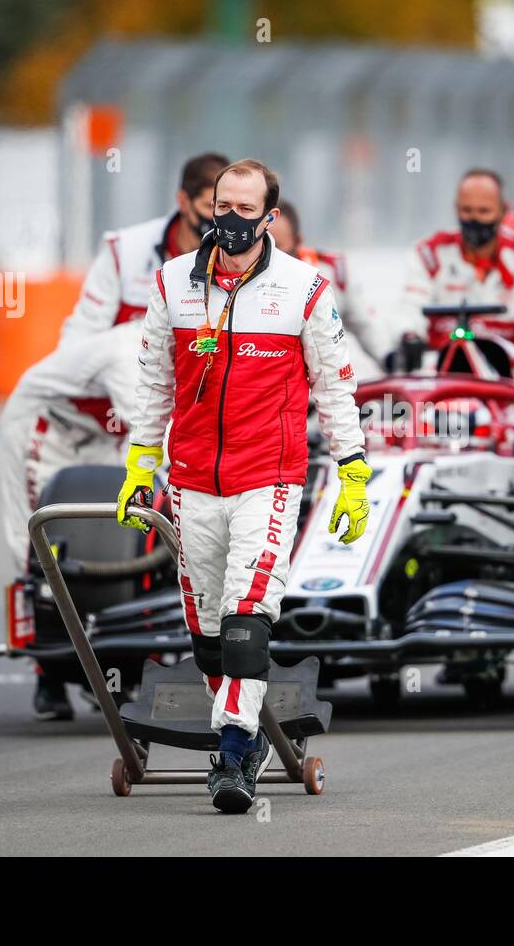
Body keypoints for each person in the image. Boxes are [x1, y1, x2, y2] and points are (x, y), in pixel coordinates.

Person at [118, 158, 370, 813]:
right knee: (207, 635)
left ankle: (233, 753)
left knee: (245, 621)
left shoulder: (304, 288)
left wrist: (353, 473)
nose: (228, 219)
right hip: (192, 480)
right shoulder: (172, 281)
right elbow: (153, 382)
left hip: (269, 479)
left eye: (244, 209)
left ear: (269, 217)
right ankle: (248, 727)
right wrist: (140, 464)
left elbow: (335, 387)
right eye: (220, 206)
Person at [0, 322, 141, 719]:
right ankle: (47, 673)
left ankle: (107, 671)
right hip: (44, 428)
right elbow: (153, 433)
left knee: (111, 542)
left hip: (100, 434)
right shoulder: (127, 353)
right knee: (37, 548)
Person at [60, 152, 229, 343]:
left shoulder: (239, 258)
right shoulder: (125, 250)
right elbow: (81, 335)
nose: (217, 218)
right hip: (128, 360)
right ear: (183, 201)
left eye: (224, 208)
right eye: (209, 207)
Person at [394, 168, 514, 355]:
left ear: (503, 210)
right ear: (456, 208)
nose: (474, 219)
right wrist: (409, 335)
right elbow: (410, 306)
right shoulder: (428, 254)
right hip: (442, 365)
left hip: (509, 366)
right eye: (467, 210)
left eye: (484, 211)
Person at [268, 200, 383, 378]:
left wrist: (392, 357)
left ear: (298, 241)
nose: (270, 255)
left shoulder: (331, 273)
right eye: (264, 244)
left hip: (321, 382)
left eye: (278, 247)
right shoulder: (234, 280)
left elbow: (366, 324)